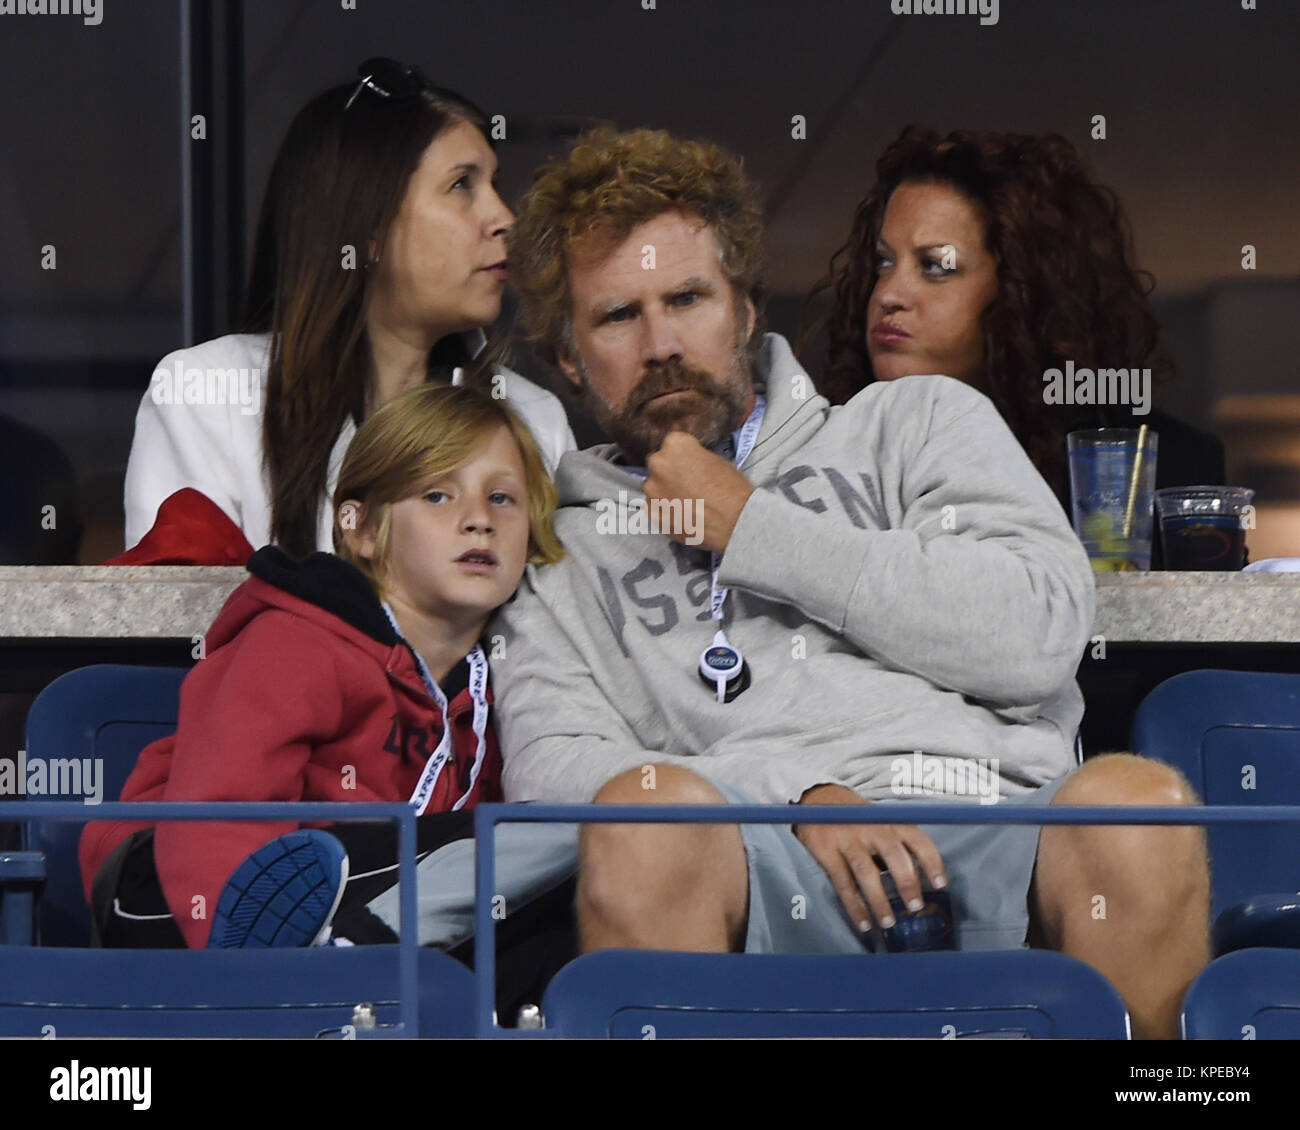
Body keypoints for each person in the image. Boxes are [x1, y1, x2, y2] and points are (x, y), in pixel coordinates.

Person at [493, 126, 1209, 1039]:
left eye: (687, 297)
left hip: (994, 828)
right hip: (751, 858)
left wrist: (755, 527)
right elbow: (555, 777)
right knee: (644, 823)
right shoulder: (560, 550)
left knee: (1139, 807)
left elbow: (1036, 632)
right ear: (564, 357)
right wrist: (795, 796)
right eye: (617, 316)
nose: (663, 342)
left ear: (747, 310)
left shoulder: (915, 419)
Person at [81, 386, 575, 1004]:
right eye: (438, 495)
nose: (480, 517)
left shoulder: (506, 680)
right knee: (542, 834)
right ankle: (326, 973)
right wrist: (250, 976)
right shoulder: (299, 637)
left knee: (565, 905)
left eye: (502, 497)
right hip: (176, 901)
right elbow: (218, 810)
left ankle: (359, 963)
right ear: (362, 528)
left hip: (374, 902)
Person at [123, 58, 574, 561]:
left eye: (493, 183)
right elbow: (179, 625)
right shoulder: (204, 394)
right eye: (462, 185)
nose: (504, 218)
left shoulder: (534, 419)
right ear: (368, 227)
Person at [807, 126, 1226, 569]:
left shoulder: (1143, 463)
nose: (888, 294)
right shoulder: (823, 452)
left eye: (934, 266)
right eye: (883, 262)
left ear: (1023, 292)